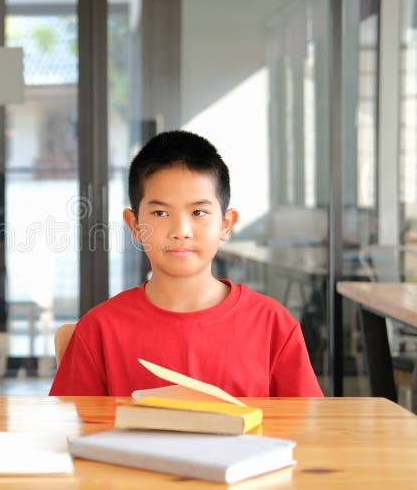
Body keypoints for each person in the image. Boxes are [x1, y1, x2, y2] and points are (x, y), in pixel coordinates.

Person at [50, 130, 322, 397]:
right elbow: (70, 433)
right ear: (134, 225)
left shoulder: (273, 325)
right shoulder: (99, 330)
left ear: (225, 224)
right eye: (160, 212)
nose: (181, 230)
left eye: (199, 212)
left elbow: (307, 431)